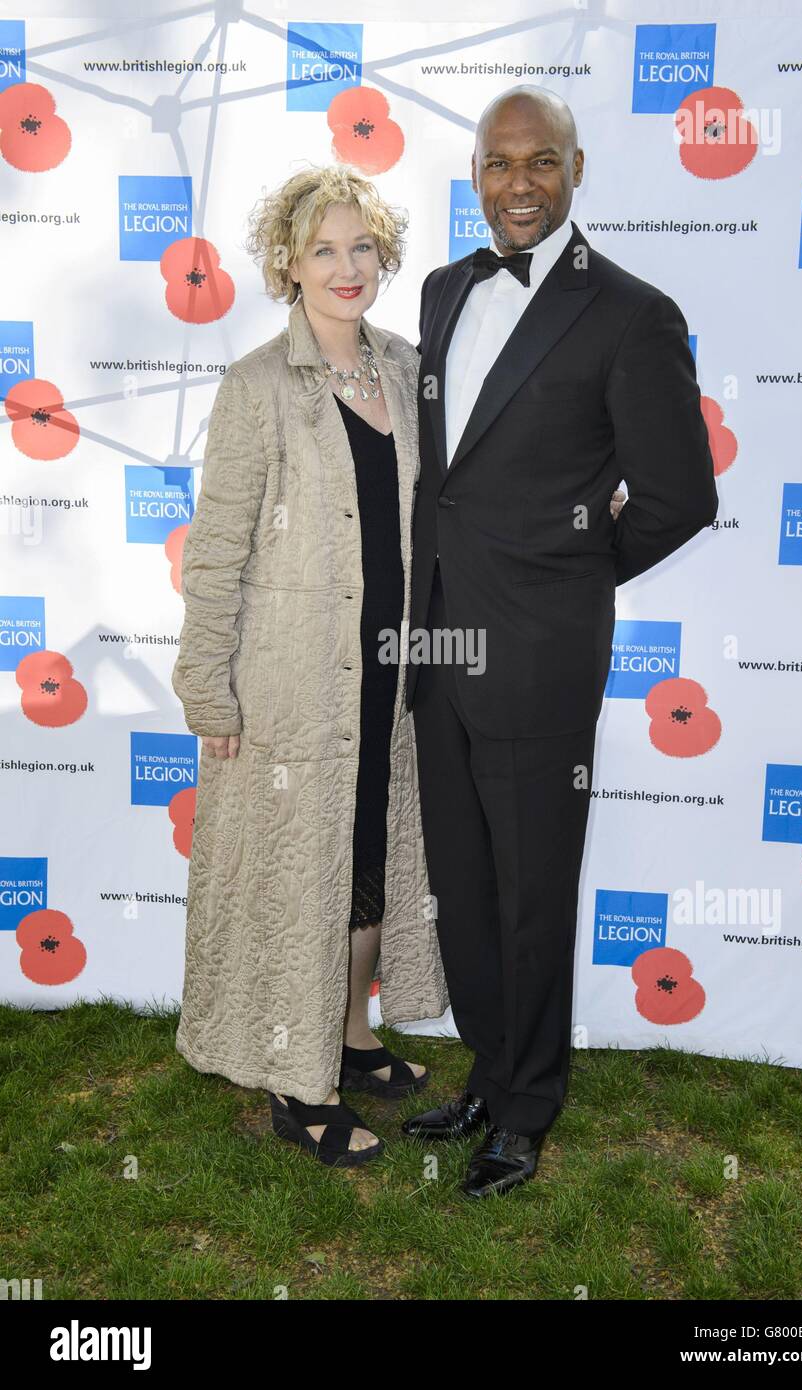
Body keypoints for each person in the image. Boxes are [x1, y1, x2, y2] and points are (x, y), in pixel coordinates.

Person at [402, 86, 719, 1198]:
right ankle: (490, 1068)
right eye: (498, 164)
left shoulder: (633, 313)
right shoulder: (444, 289)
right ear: (476, 175)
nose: (519, 183)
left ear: (575, 172)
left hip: (539, 653)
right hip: (435, 647)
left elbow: (679, 496)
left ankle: (529, 1105)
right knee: (465, 878)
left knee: (535, 884)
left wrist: (566, 577)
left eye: (541, 162)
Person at [171, 165, 446, 1167]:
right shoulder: (255, 386)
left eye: (360, 246)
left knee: (370, 855)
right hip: (290, 682)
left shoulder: (409, 370)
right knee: (300, 880)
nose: (345, 266)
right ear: (287, 264)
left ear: (383, 257)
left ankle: (350, 1032)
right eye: (322, 248)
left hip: (389, 678)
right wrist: (209, 686)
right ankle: (298, 1084)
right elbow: (218, 549)